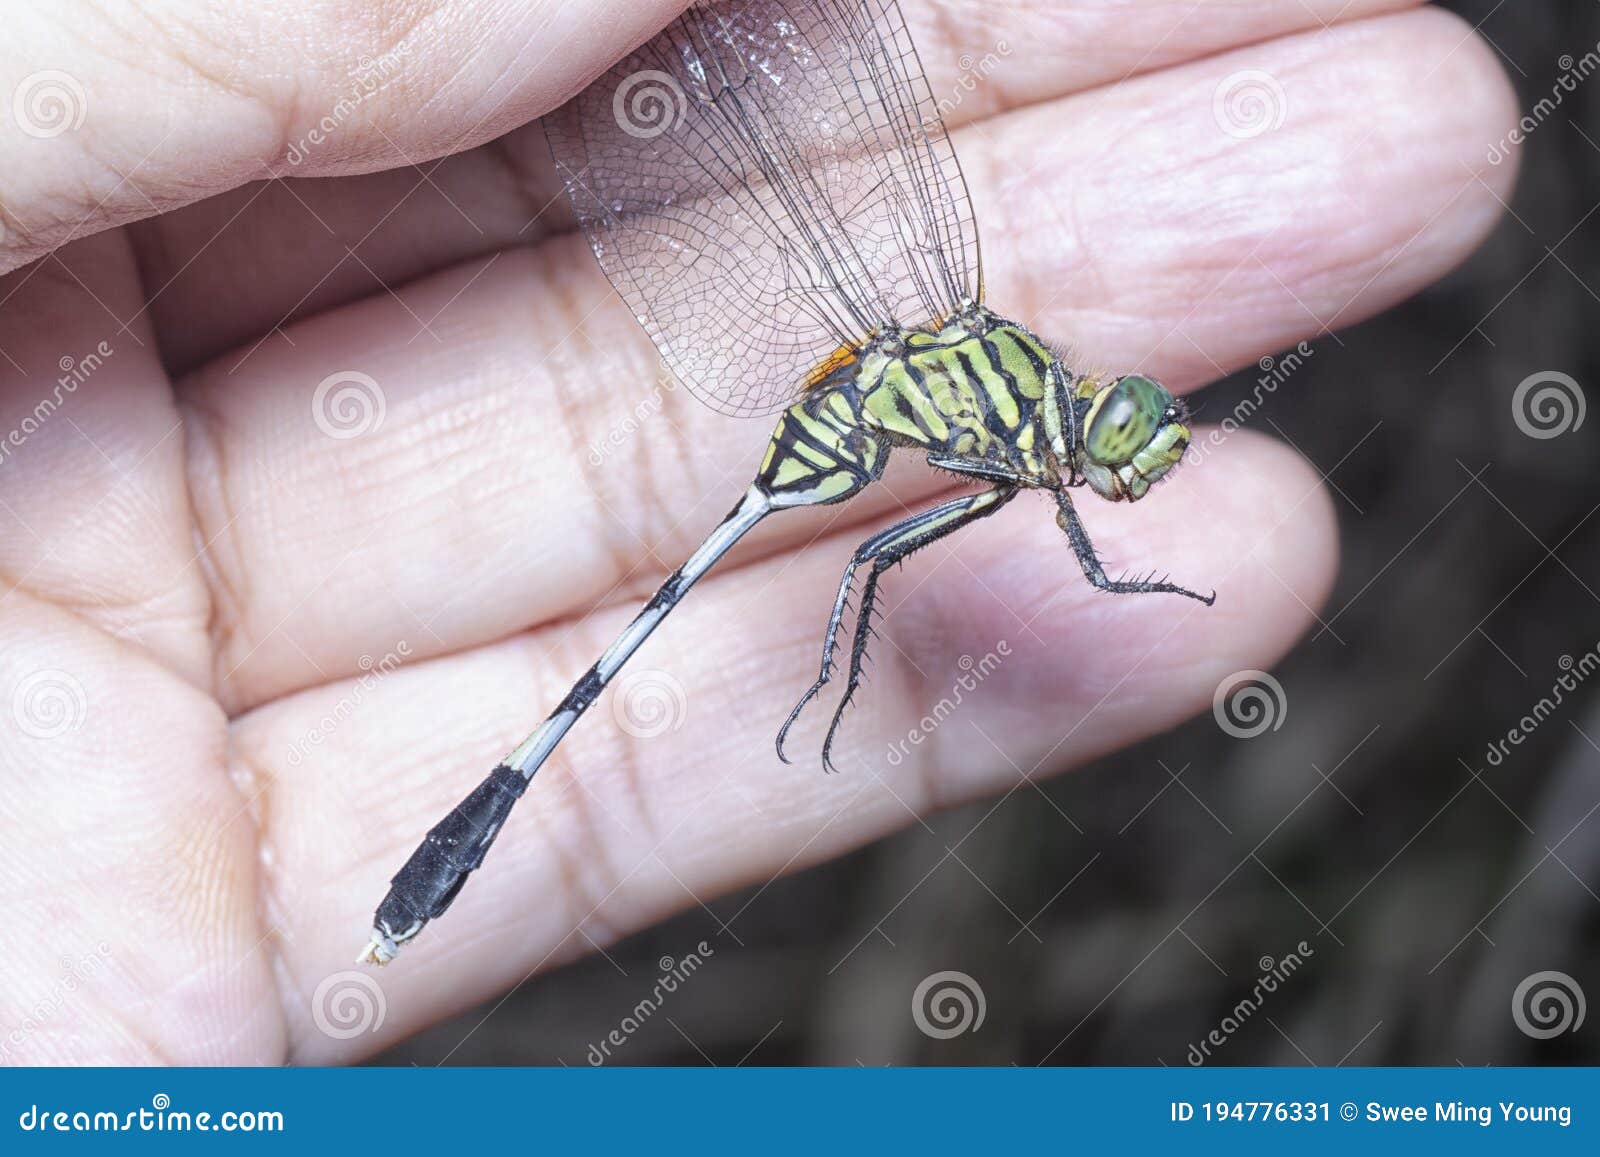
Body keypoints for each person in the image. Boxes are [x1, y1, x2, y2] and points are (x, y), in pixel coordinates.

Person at [0, 0, 1517, 1064]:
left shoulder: (1020, 448)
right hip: (823, 425)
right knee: (832, 565)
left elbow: (1049, 561)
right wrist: (883, 656)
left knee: (853, 561)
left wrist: (1118, 575)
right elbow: (942, 556)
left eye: (1131, 448)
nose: (1122, 460)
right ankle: (454, 854)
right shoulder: (1021, 442)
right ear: (1080, 433)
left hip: (851, 402)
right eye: (1124, 441)